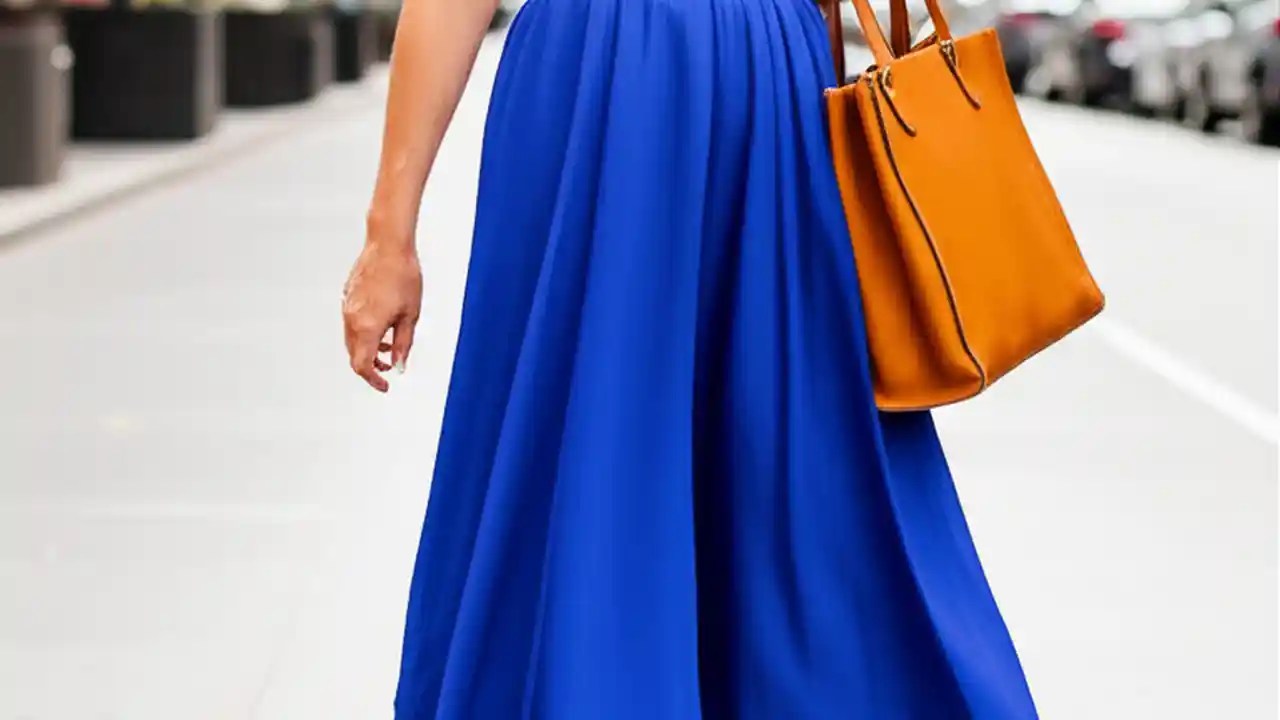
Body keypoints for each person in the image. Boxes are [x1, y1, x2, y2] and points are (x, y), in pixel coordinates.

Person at [341, 0, 1040, 715]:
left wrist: (388, 232)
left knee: (733, 450)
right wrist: (388, 234)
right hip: (672, 88)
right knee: (638, 440)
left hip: (712, 97)